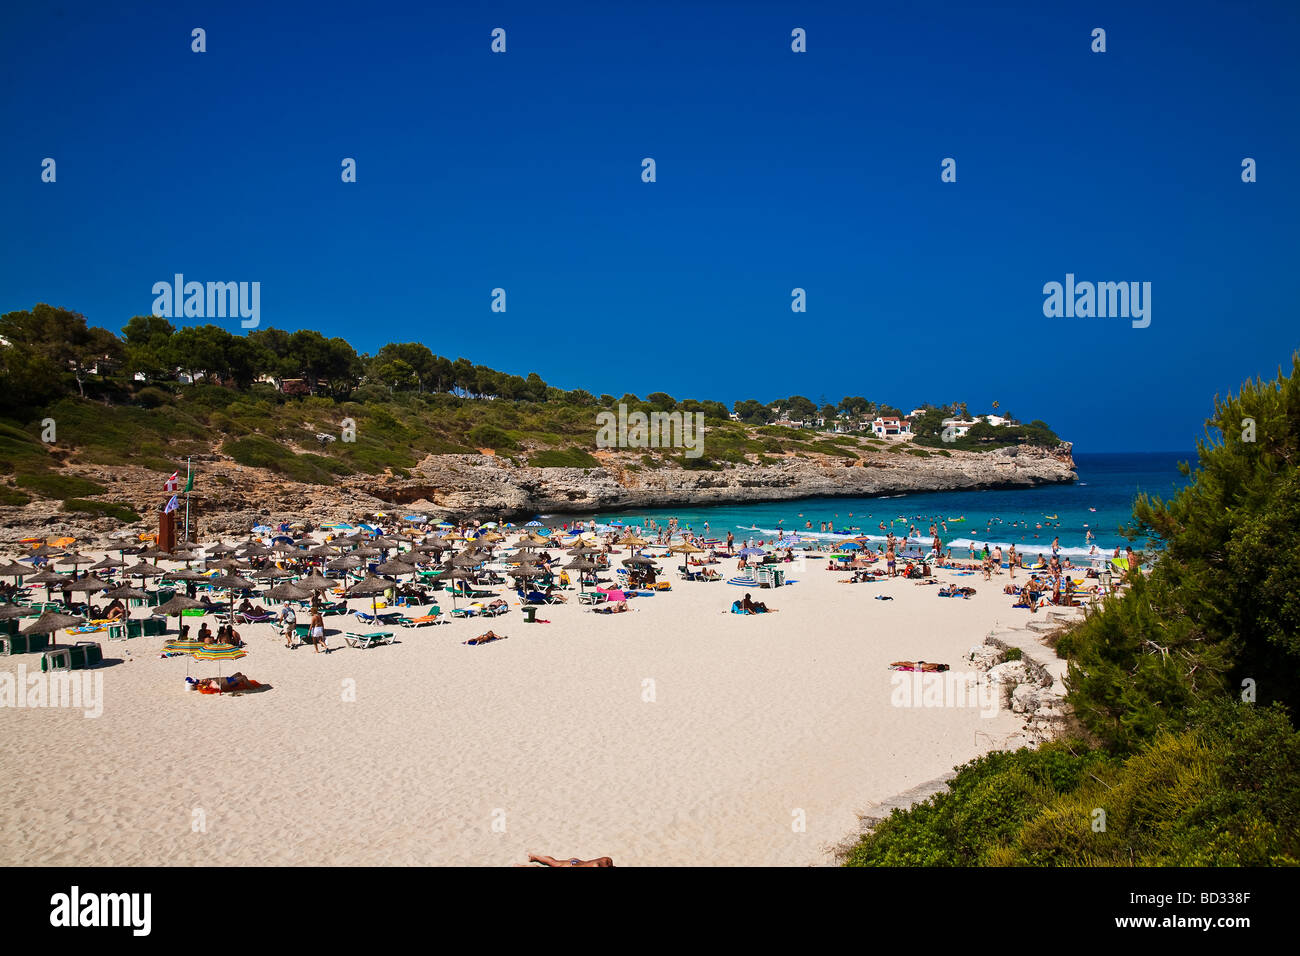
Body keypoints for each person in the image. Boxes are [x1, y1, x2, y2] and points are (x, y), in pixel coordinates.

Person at [519, 852, 615, 867]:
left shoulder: (607, 860)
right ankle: (533, 858)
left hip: (575, 862)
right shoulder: (605, 862)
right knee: (554, 863)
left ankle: (534, 857)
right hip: (572, 865)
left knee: (554, 862)